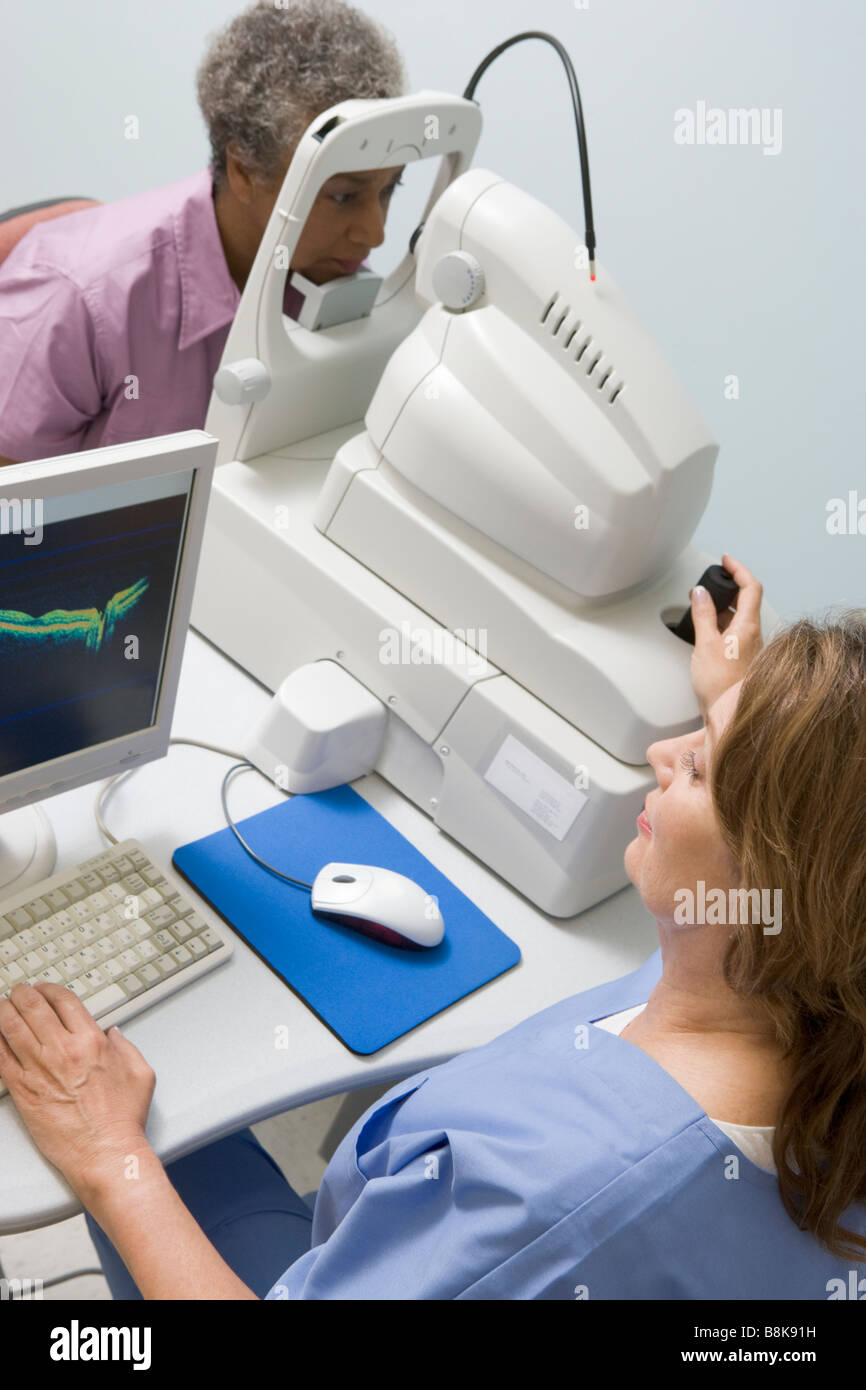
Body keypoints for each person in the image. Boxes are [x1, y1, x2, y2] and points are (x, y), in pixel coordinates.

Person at [2, 556, 865, 1299]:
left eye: (703, 766)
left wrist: (107, 1151)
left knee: (148, 1125)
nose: (659, 754)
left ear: (780, 880)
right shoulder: (794, 984)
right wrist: (750, 707)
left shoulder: (555, 1200)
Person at [0, 0, 406, 467]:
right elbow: (14, 519)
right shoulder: (77, 300)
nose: (374, 235)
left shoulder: (325, 277)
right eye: (342, 197)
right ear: (244, 171)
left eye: (390, 189)